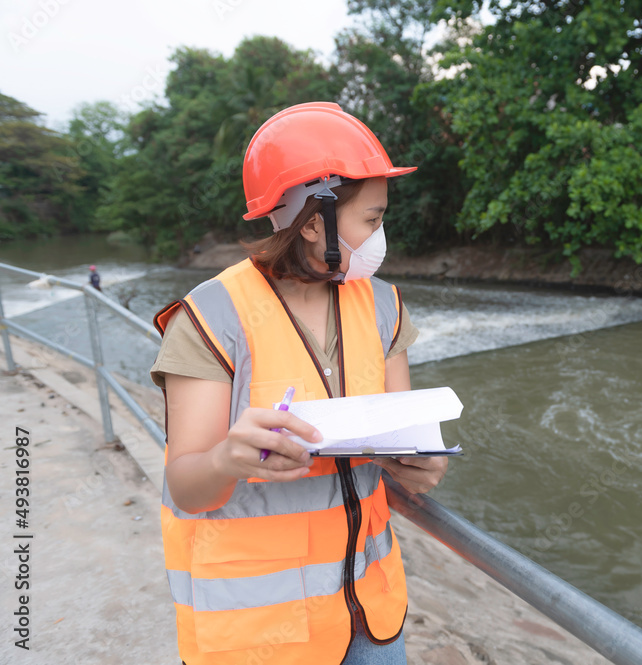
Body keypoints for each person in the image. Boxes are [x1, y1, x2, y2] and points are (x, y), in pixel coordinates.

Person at [149, 102, 447, 665]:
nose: (382, 235)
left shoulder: (384, 304)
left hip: (371, 614)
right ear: (314, 222)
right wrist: (227, 459)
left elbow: (403, 432)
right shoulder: (211, 317)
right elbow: (187, 489)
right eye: (373, 218)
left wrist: (421, 465)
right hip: (259, 633)